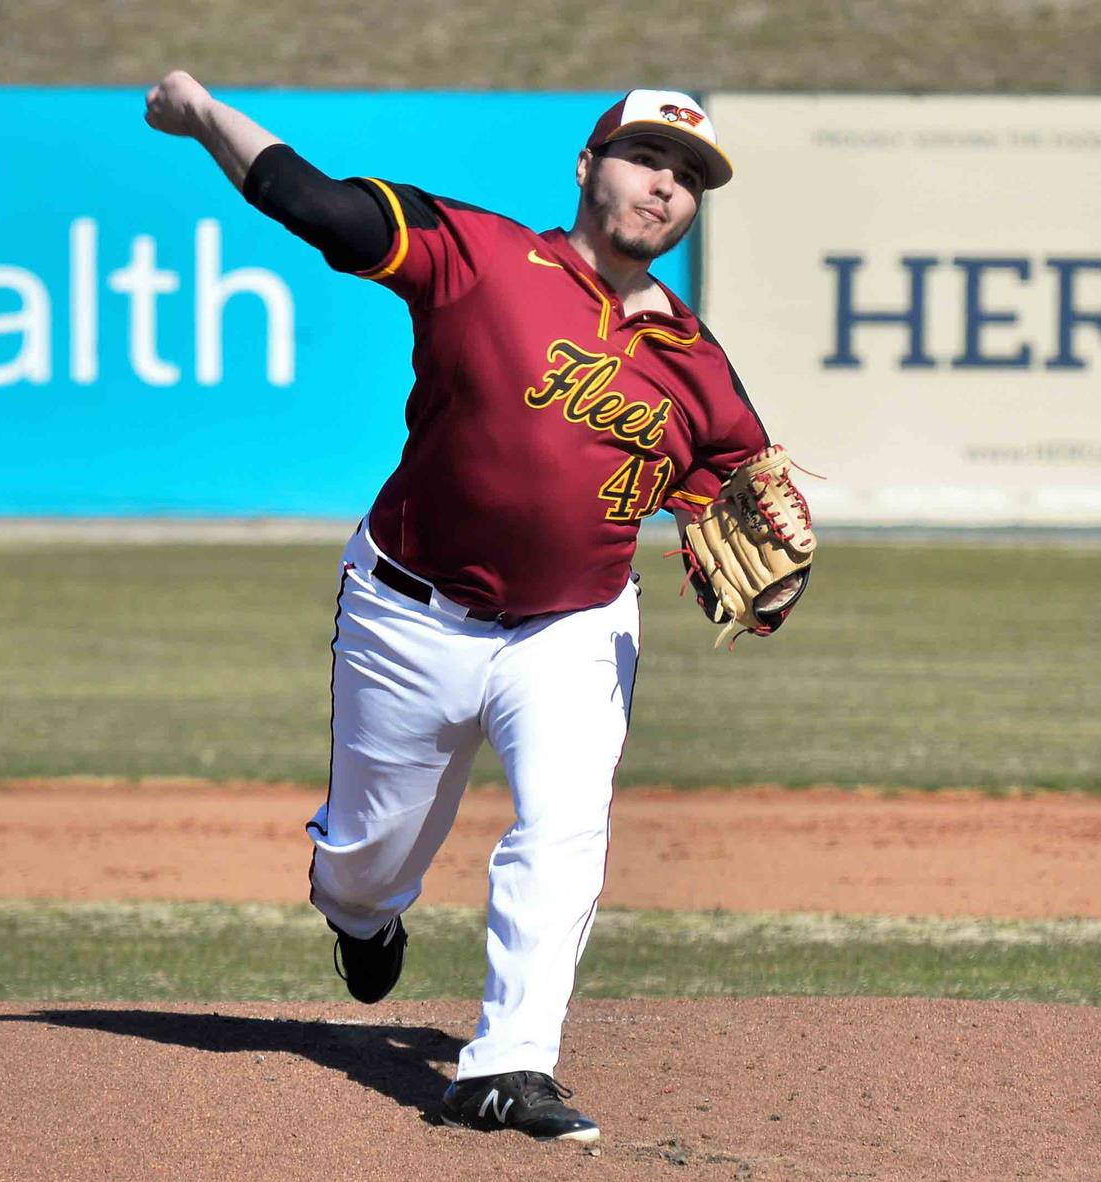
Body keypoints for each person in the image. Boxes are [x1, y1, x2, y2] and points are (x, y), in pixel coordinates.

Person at [144, 75, 773, 1143]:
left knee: (564, 827)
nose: (663, 188)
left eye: (687, 178)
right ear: (586, 168)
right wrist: (204, 111)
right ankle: (361, 914)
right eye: (644, 160)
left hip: (573, 628)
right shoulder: (480, 256)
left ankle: (508, 1064)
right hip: (408, 615)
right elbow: (320, 206)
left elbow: (732, 485)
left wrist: (757, 571)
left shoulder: (697, 366)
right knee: (365, 860)